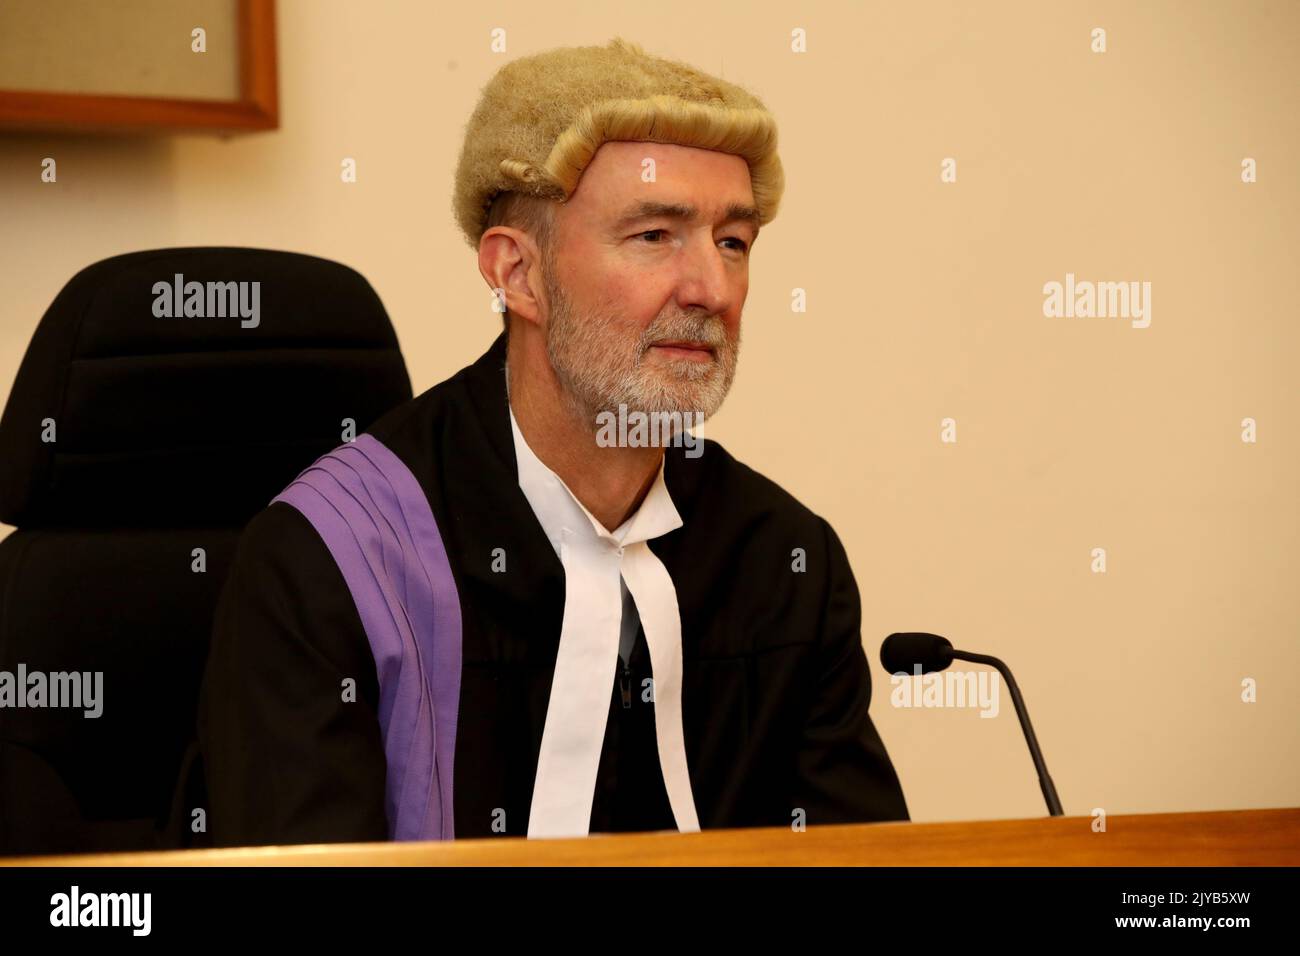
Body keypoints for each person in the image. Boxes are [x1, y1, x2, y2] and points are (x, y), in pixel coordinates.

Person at [198, 36, 908, 845]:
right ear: (518, 275)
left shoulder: (788, 563)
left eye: (733, 242)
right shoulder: (330, 560)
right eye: (654, 236)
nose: (711, 288)